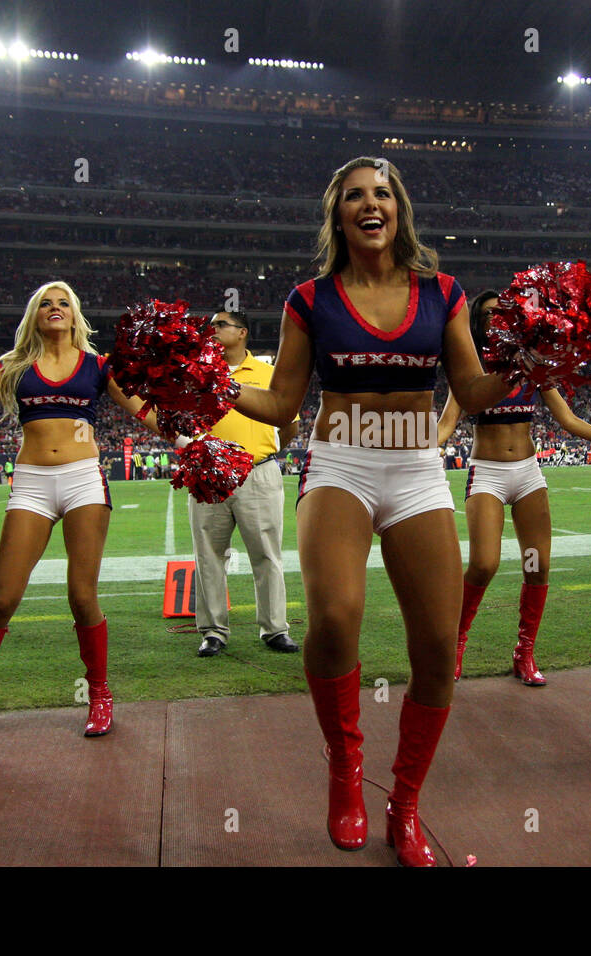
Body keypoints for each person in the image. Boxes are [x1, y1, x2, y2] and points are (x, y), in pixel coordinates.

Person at [219, 156, 511, 865]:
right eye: (355, 196)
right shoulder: (308, 299)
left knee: (440, 647)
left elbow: (470, 392)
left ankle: (404, 803)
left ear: (399, 209)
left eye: (383, 193)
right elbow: (283, 404)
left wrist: (535, 359)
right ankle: (345, 770)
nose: (370, 203)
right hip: (340, 461)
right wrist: (210, 389)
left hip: (416, 467)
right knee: (336, 616)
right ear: (339, 215)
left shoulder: (444, 292)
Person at [0, 281, 160, 752]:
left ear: (75, 313)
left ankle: (100, 696)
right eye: (45, 303)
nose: (55, 308)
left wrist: (189, 442)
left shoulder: (98, 365)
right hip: (31, 484)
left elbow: (141, 408)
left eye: (64, 302)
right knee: (3, 598)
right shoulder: (12, 367)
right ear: (34, 315)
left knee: (81, 595)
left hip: (85, 478)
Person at [436, 290, 591, 685]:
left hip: (528, 475)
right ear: (476, 324)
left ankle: (524, 653)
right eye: (486, 315)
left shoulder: (532, 365)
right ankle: (456, 645)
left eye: (502, 314)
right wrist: (417, 443)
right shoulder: (471, 369)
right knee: (484, 564)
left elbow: (567, 419)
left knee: (538, 566)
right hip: (488, 474)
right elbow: (446, 425)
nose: (495, 320)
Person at [189, 310, 299, 658]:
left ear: (242, 333)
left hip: (258, 471)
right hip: (209, 475)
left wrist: (264, 453)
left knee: (267, 554)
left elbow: (290, 423)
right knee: (208, 556)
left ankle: (275, 628)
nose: (213, 330)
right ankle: (213, 631)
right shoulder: (197, 374)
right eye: (210, 327)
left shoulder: (268, 374)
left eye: (220, 325)